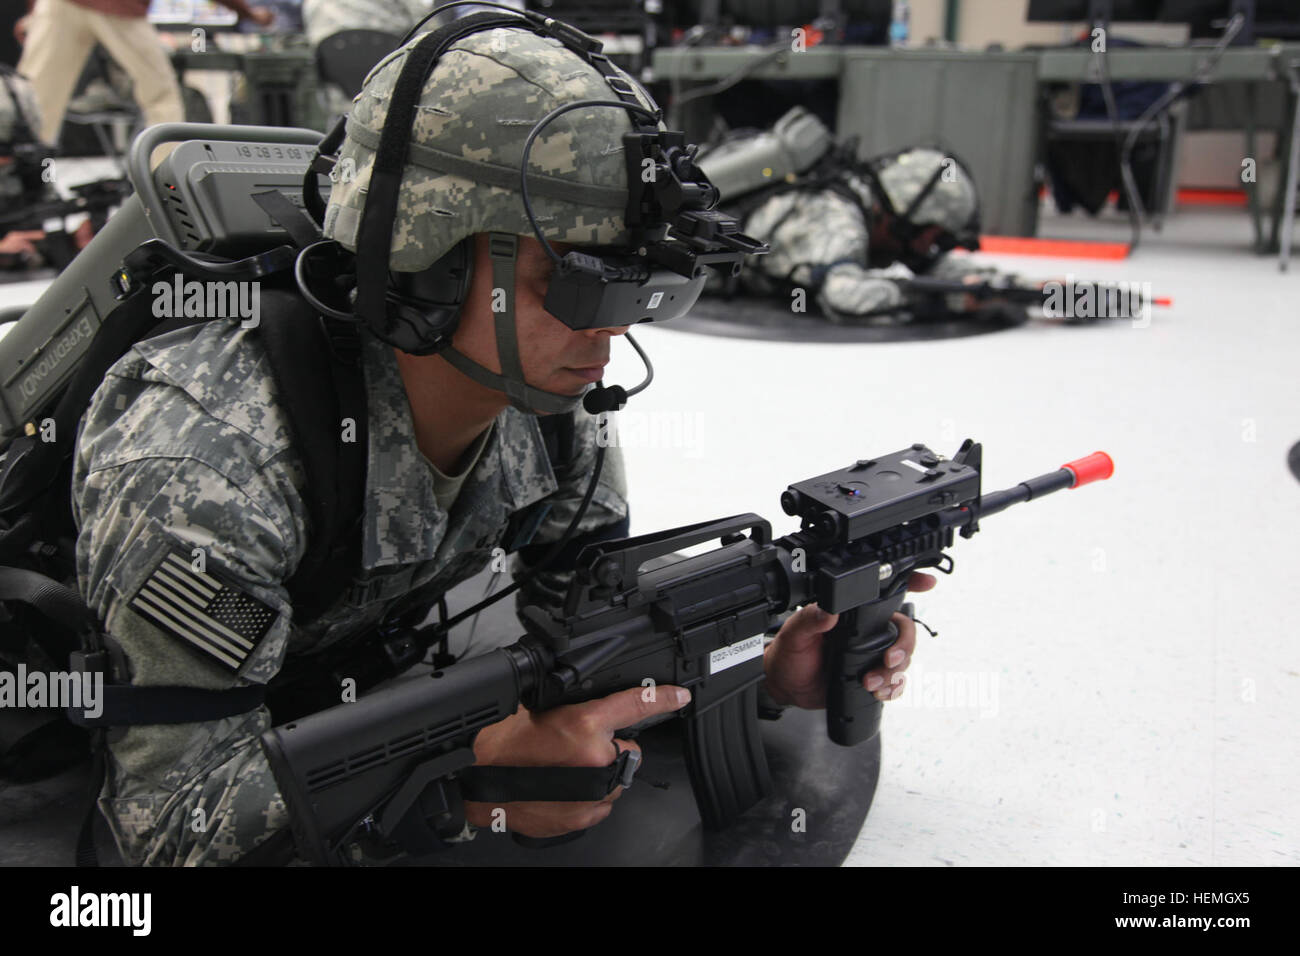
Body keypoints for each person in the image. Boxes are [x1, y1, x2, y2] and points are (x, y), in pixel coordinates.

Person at [71, 17, 929, 866]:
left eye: (641, 286)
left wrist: (756, 666)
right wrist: (461, 797)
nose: (611, 328)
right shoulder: (209, 463)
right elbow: (174, 826)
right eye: (578, 278)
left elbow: (593, 633)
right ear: (432, 260)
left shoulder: (551, 407)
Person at [707, 128, 1006, 322]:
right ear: (907, 221)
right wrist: (945, 299)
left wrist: (1008, 287)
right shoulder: (838, 220)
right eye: (934, 237)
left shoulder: (866, 208)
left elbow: (931, 267)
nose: (929, 248)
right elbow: (844, 295)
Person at [14, 0, 274, 146]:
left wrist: (34, 14)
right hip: (116, 8)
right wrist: (248, 13)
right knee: (161, 98)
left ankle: (20, 174)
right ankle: (165, 175)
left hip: (64, 7)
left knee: (31, 99)